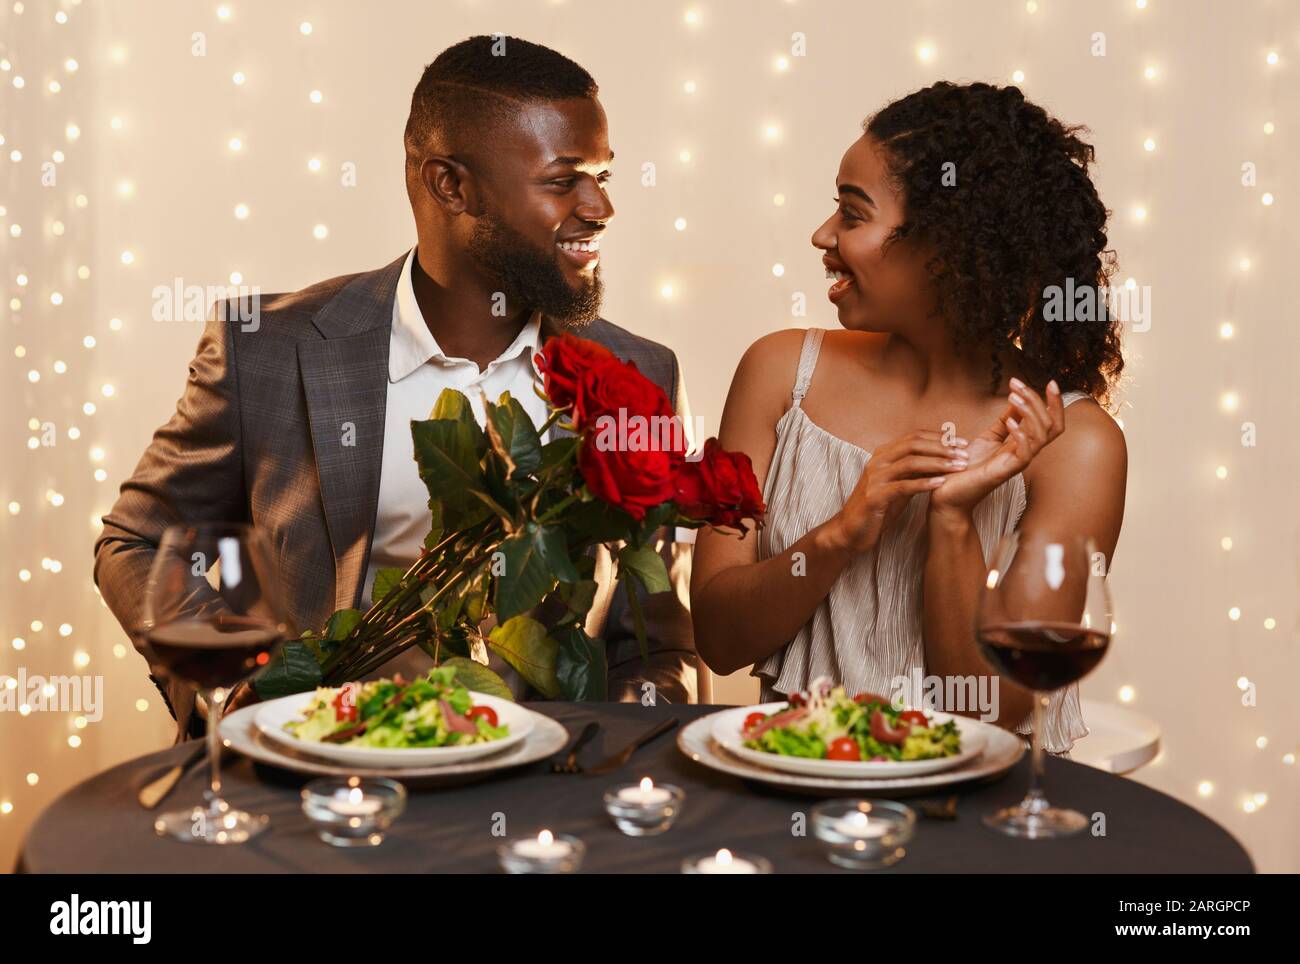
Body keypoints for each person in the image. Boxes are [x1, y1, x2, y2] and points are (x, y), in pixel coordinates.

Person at [95, 36, 698, 742]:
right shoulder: (265, 348)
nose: (600, 207)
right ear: (451, 185)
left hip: (543, 800)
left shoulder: (640, 376)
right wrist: (230, 694)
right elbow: (137, 538)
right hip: (309, 786)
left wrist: (609, 754)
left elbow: (657, 647)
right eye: (565, 180)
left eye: (604, 174)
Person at [691, 82, 1127, 754]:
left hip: (974, 829)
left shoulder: (1074, 443)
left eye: (852, 214)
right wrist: (840, 536)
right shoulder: (780, 374)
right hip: (796, 798)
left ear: (945, 248)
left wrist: (952, 520)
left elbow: (992, 711)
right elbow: (719, 642)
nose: (823, 235)